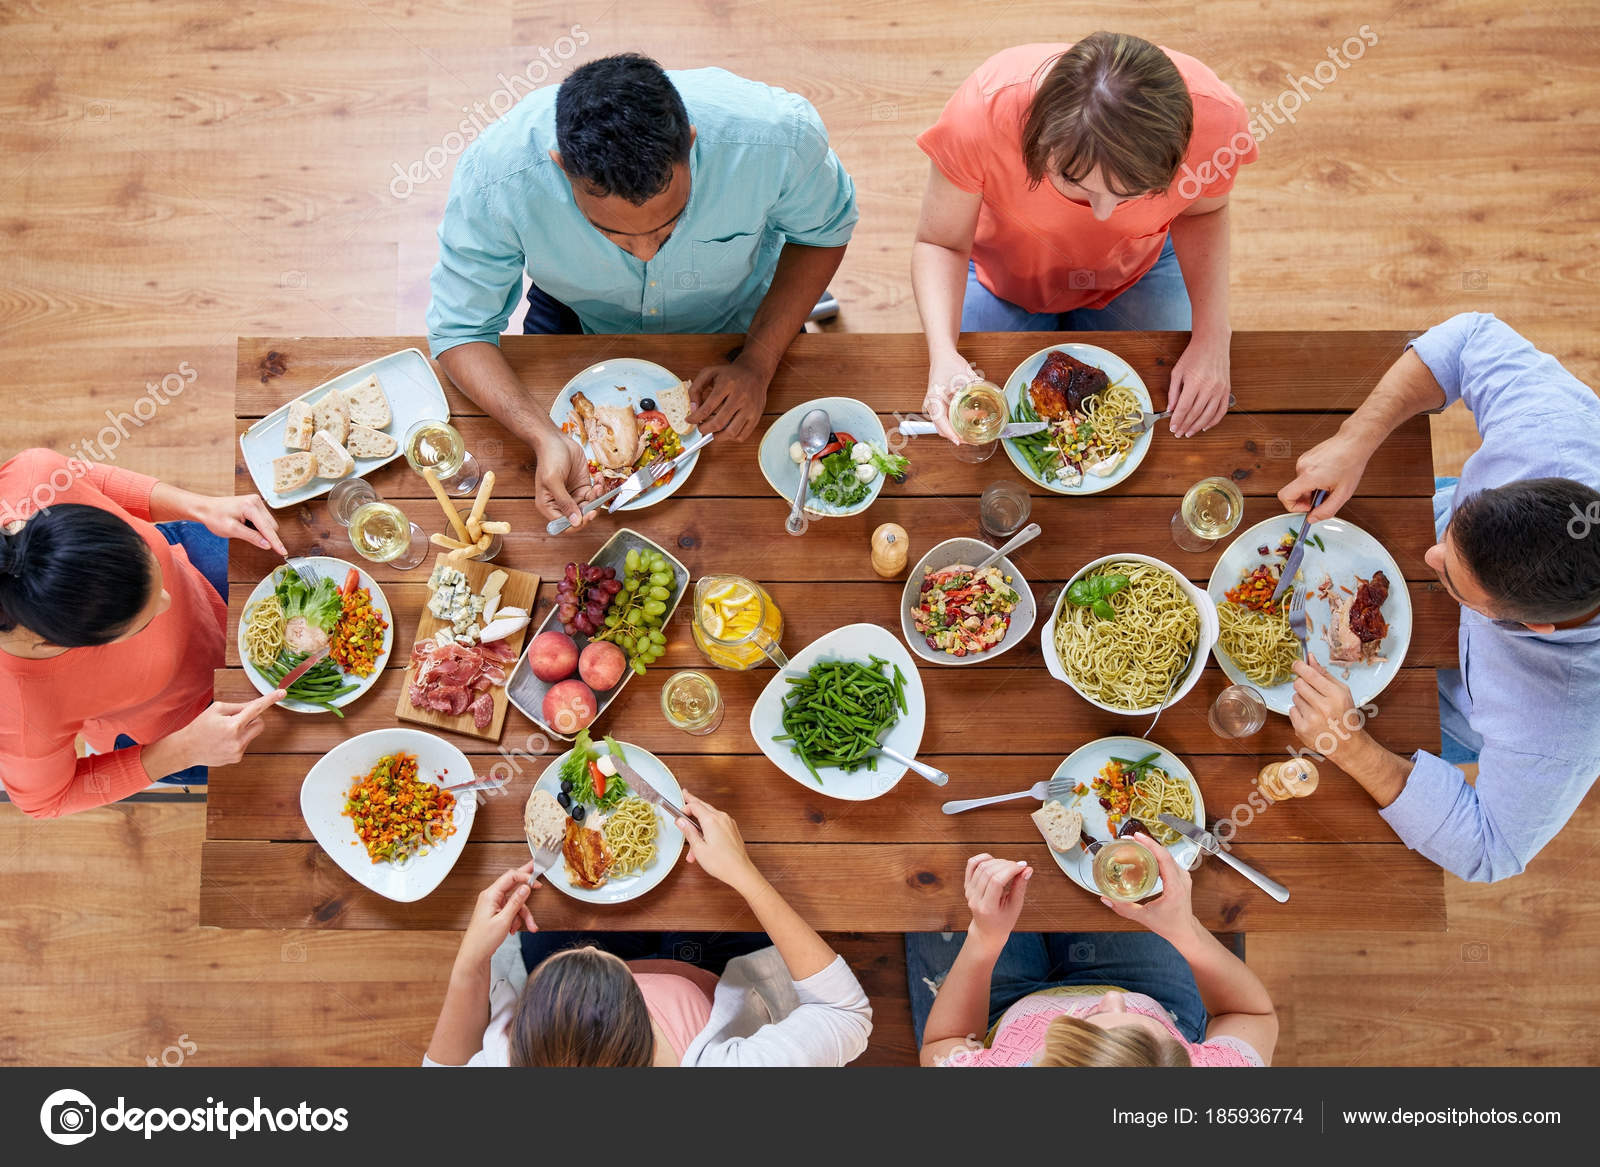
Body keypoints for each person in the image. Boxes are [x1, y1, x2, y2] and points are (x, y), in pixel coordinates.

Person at [427, 52, 858, 527]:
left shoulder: (777, 137)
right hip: (576, 313)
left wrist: (758, 360)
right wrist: (543, 436)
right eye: (611, 233)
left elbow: (823, 234)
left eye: (669, 226)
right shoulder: (497, 178)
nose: (647, 253)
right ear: (560, 166)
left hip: (743, 313)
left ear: (690, 144)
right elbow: (459, 331)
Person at [1278, 313, 1600, 882]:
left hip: (1435, 705)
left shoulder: (1563, 722)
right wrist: (1354, 441)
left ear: (1536, 628)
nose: (1428, 558)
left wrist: (1354, 750)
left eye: (1451, 577)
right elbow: (1470, 337)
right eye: (1450, 540)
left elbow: (1490, 851)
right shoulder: (1555, 436)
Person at [912, 32, 1255, 442]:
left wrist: (1214, 336)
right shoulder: (982, 112)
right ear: (1039, 138)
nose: (1103, 214)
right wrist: (944, 354)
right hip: (1000, 277)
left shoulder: (1217, 120)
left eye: (1130, 195)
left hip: (1135, 272)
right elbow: (941, 243)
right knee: (982, 401)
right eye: (1075, 182)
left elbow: (1204, 212)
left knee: (1165, 394)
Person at [424, 792, 872, 1066]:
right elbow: (846, 1014)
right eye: (619, 974)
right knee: (716, 915)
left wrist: (470, 964)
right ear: (643, 1031)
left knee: (553, 925)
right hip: (710, 976)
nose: (595, 948)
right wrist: (744, 875)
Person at [0, 448, 286, 817]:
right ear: (59, 644)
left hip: (196, 567)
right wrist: (187, 748)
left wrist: (199, 507)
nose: (167, 600)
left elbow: (93, 480)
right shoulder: (20, 713)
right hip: (180, 724)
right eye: (144, 620)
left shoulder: (37, 478)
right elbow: (47, 800)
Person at [909, 846, 1276, 1067]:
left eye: (1095, 1016)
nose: (1114, 999)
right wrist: (1185, 931)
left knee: (942, 864)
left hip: (992, 1016)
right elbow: (1248, 1015)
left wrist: (985, 938)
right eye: (1171, 1043)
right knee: (1127, 860)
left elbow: (945, 1043)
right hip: (1154, 991)